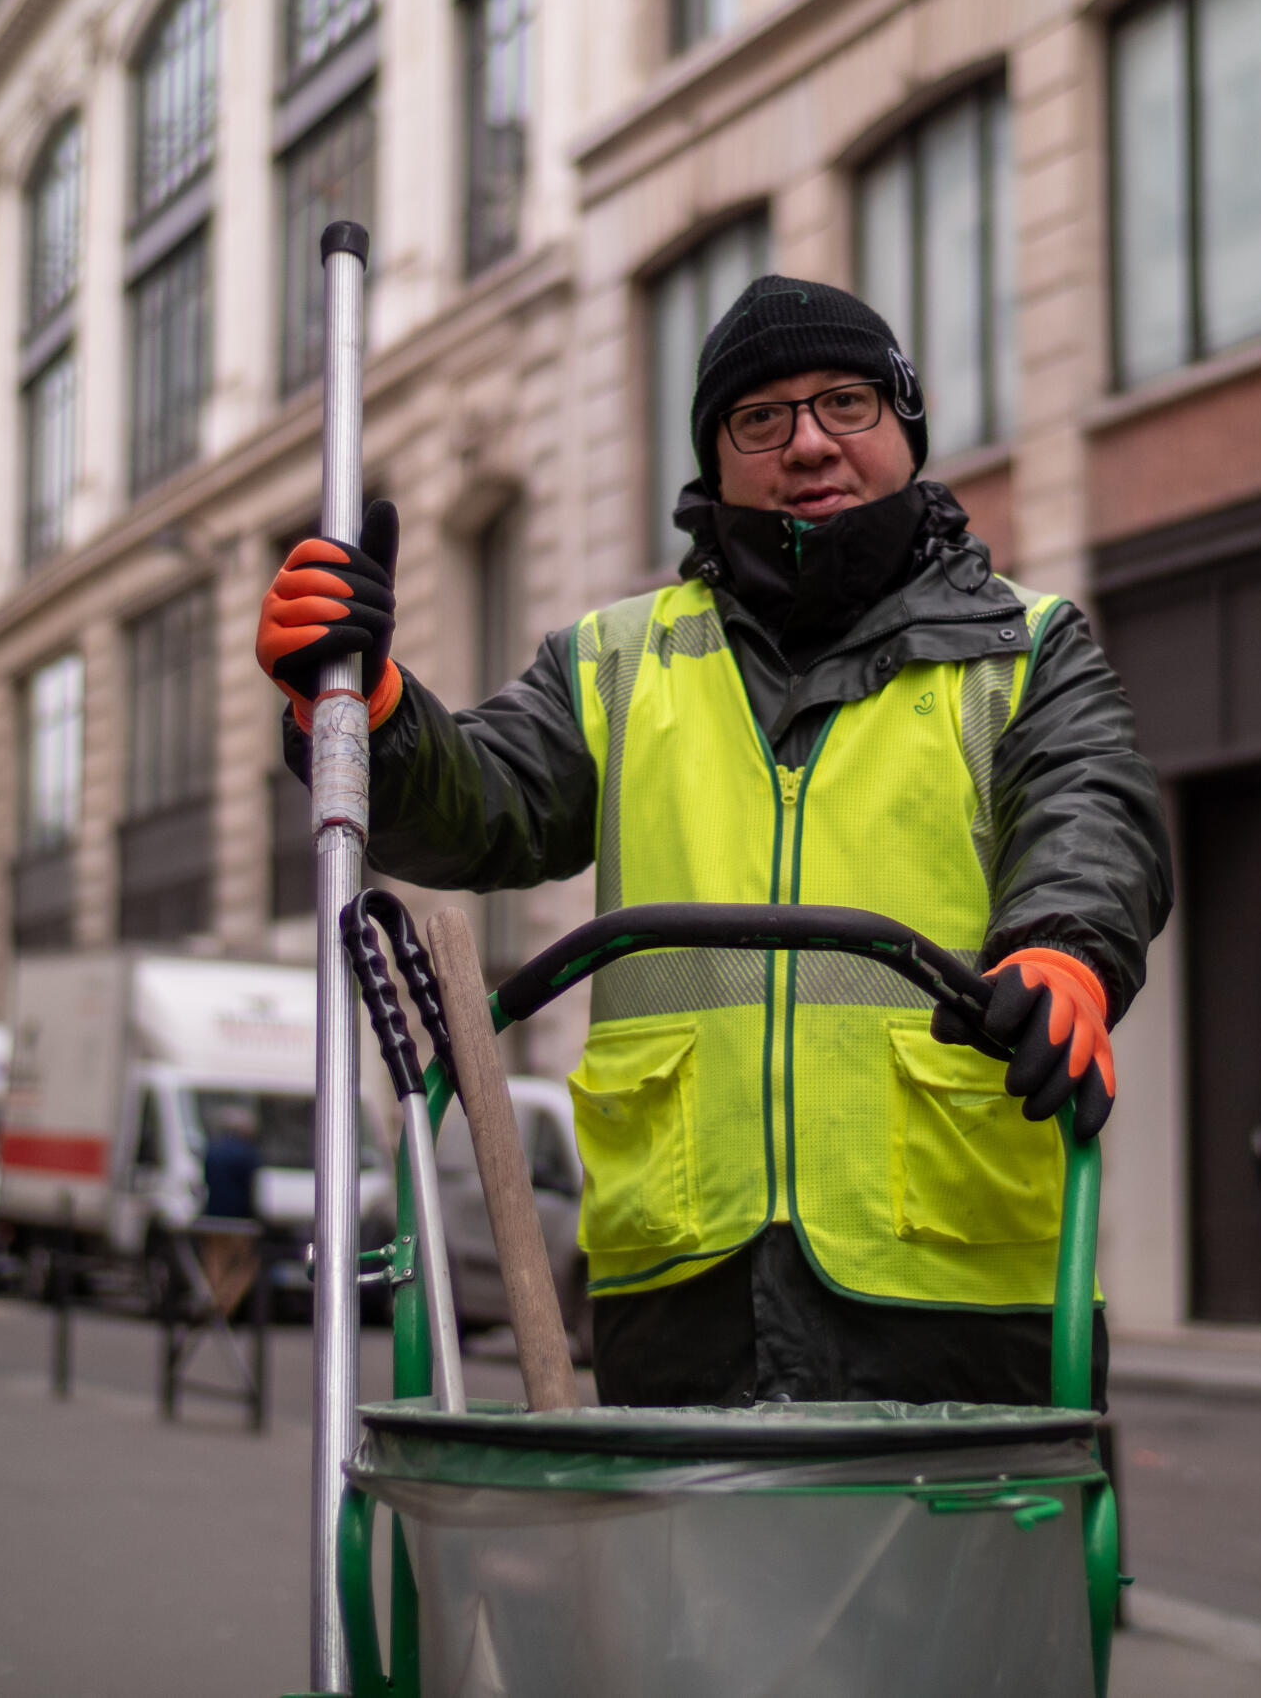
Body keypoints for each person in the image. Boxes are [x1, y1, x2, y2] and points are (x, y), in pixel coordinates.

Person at [258, 275, 1170, 1409]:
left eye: (845, 403)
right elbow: (478, 805)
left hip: (966, 1294)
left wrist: (1066, 949)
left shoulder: (1027, 650)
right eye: (760, 419)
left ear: (906, 424)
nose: (808, 443)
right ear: (713, 460)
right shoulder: (614, 660)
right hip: (683, 1295)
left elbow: (1093, 807)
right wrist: (371, 712)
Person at [196, 1103, 264, 1318]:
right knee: (248, 1263)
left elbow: (205, 1182)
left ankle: (211, 1300)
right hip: (238, 1219)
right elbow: (250, 1190)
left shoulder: (212, 1150)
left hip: (212, 1215)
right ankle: (226, 1304)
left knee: (215, 1261)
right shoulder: (248, 1155)